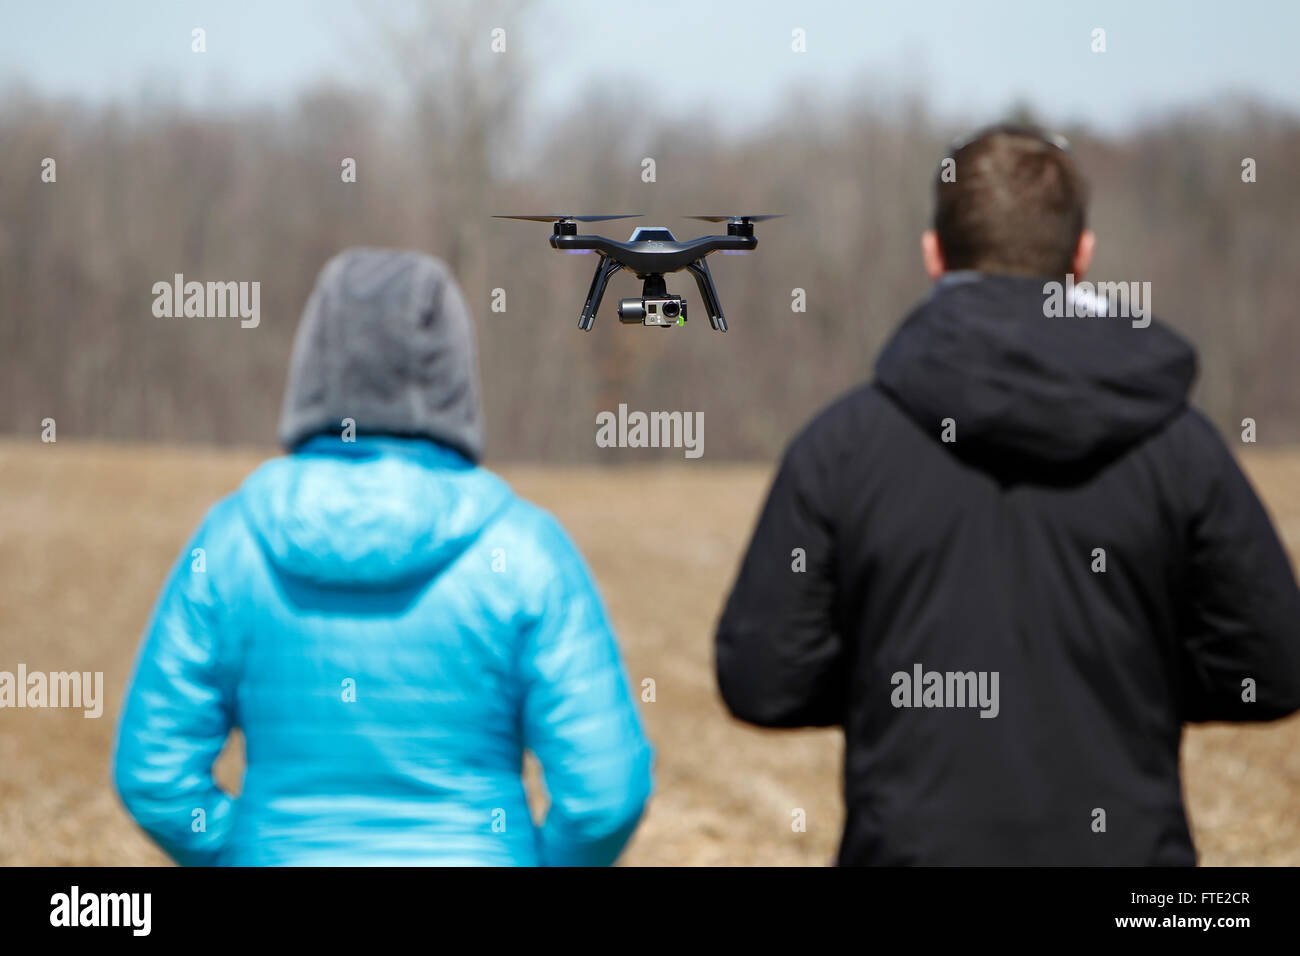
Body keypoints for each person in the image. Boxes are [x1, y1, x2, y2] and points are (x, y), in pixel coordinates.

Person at [714, 125, 1300, 865]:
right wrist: (1127, 679)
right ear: (1080, 257)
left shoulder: (842, 448)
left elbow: (762, 678)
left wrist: (891, 681)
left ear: (933, 254)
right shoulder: (1178, 447)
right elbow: (1272, 668)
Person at [113, 247, 653, 866]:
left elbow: (153, 775)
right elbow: (605, 795)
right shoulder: (527, 550)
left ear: (312, 364)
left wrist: (242, 852)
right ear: (455, 372)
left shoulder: (231, 540)